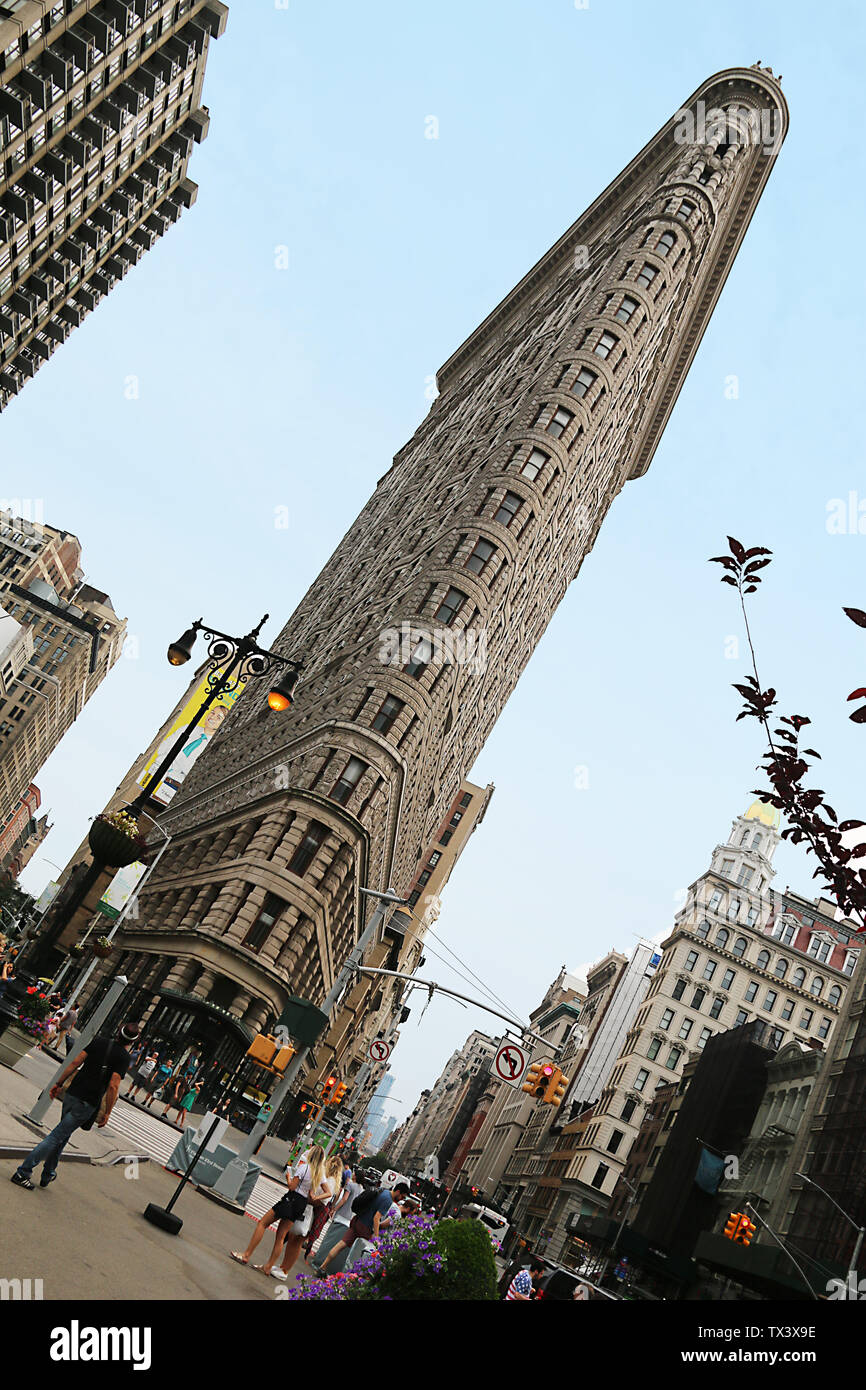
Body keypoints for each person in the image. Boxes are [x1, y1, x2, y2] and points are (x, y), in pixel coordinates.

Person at [10, 1022, 141, 1190]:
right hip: (87, 1102)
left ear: (118, 1032)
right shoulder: (123, 1058)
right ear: (133, 1041)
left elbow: (74, 1062)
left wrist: (58, 1083)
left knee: (63, 1135)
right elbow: (113, 1086)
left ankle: (48, 1173)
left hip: (72, 1093)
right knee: (57, 1136)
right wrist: (107, 1112)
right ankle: (23, 1172)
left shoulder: (98, 1041)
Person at [230, 1145, 330, 1279]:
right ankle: (268, 1266)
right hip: (301, 1204)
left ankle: (246, 1254)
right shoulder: (319, 1174)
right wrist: (316, 1197)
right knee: (281, 1236)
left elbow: (292, 1187)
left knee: (263, 1223)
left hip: (291, 1199)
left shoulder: (304, 1168)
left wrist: (289, 1177)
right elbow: (328, 1193)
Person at [313, 1180, 411, 1276]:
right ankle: (347, 1280)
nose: (401, 1199)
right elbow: (376, 1218)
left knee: (341, 1244)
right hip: (365, 1228)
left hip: (357, 1220)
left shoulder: (382, 1190)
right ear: (398, 1191)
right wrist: (376, 1238)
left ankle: (322, 1267)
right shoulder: (388, 1200)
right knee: (360, 1255)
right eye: (402, 1196)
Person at [313, 1165, 362, 1272]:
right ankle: (326, 1264)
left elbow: (344, 1199)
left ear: (355, 1176)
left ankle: (318, 1260)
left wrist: (334, 1208)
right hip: (349, 1219)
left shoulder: (350, 1185)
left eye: (354, 1173)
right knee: (336, 1243)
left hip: (341, 1216)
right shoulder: (361, 1188)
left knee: (328, 1240)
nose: (352, 1174)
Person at [304, 1153, 345, 1260]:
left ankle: (305, 1247)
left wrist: (313, 1198)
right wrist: (332, 1208)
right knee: (315, 1228)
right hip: (324, 1207)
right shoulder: (336, 1182)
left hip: (318, 1204)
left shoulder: (328, 1179)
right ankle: (307, 1248)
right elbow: (335, 1197)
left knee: (310, 1226)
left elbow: (325, 1195)